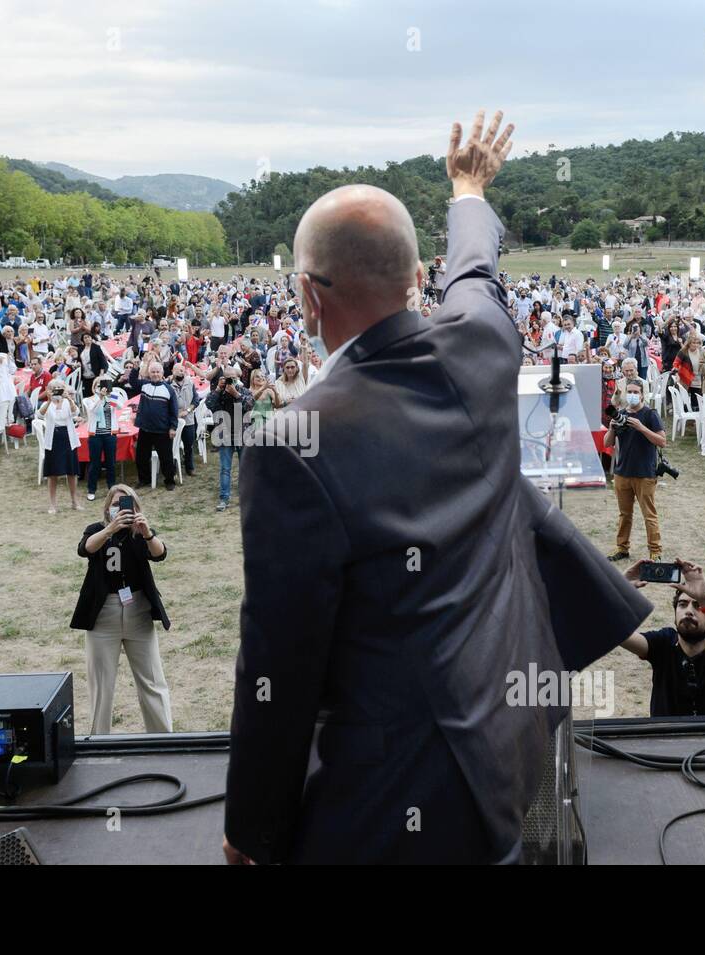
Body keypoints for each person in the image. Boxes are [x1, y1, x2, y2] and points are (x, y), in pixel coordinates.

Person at [223, 111, 649, 865]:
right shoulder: (481, 347)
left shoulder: (291, 444)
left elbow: (278, 670)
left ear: (309, 297)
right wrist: (467, 188)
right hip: (528, 726)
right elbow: (478, 275)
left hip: (412, 798)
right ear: (420, 279)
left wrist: (252, 830)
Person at [70, 485, 173, 735]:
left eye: (127, 504)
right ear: (107, 508)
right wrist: (110, 529)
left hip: (138, 611)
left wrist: (147, 533)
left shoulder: (141, 532)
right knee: (101, 685)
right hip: (104, 614)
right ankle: (99, 743)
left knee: (152, 680)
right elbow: (84, 548)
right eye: (116, 504)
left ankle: (163, 741)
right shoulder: (98, 530)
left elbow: (160, 554)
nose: (121, 509)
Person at [619, 558, 705, 717]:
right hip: (664, 739)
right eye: (682, 604)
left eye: (698, 605)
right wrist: (617, 588)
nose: (689, 611)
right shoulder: (663, 642)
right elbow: (614, 632)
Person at [603, 379, 667, 562]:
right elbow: (607, 443)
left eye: (635, 392)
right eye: (628, 391)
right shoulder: (620, 415)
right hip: (622, 472)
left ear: (642, 394)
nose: (631, 395)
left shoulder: (650, 414)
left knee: (649, 514)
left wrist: (641, 428)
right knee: (624, 514)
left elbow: (662, 441)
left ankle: (655, 550)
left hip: (645, 473)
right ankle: (622, 547)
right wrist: (611, 428)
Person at [204, 363, 252, 512]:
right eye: (227, 378)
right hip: (225, 435)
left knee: (245, 469)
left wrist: (236, 395)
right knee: (225, 469)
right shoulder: (220, 392)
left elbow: (250, 405)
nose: (230, 381)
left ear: (239, 378)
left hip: (243, 435)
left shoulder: (244, 391)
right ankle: (224, 498)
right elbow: (209, 404)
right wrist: (219, 388)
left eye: (233, 378)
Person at [36, 379, 81, 512]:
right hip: (53, 439)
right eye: (53, 388)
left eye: (59, 388)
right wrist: (49, 400)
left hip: (68, 437)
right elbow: (39, 414)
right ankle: (53, 504)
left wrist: (69, 398)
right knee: (52, 473)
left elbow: (75, 412)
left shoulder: (68, 402)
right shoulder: (47, 403)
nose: (56, 390)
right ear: (49, 390)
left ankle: (74, 501)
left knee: (72, 472)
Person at [134, 362, 179, 490]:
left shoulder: (168, 389)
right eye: (153, 372)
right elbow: (132, 381)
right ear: (149, 373)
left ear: (162, 374)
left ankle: (169, 481)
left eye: (157, 372)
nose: (155, 374)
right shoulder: (144, 385)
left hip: (162, 430)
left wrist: (173, 427)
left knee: (166, 458)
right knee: (141, 457)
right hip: (145, 429)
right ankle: (144, 479)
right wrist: (136, 368)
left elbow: (173, 411)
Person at [83, 378, 119, 501]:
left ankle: (112, 488)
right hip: (95, 435)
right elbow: (94, 410)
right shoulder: (88, 400)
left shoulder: (111, 397)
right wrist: (100, 397)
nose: (101, 388)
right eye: (98, 385)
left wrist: (111, 395)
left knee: (111, 463)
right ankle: (91, 489)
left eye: (103, 385)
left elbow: (119, 407)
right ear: (94, 387)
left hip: (110, 434)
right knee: (95, 463)